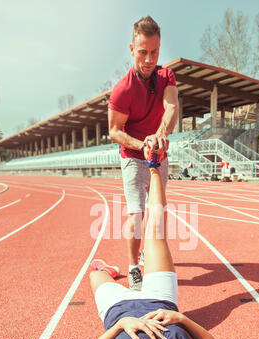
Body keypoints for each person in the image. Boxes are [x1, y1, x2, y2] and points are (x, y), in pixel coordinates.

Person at [86, 160, 231, 339]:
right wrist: (182, 319)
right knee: (156, 228)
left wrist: (119, 327)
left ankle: (114, 273)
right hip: (160, 297)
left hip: (119, 310)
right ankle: (154, 167)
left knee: (96, 274)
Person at [108, 16, 179, 290]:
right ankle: (133, 266)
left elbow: (171, 107)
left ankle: (149, 253)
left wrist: (159, 136)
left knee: (156, 210)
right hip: (132, 155)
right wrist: (142, 144)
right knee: (136, 213)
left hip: (158, 154)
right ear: (131, 49)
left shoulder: (166, 75)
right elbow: (115, 131)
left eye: (155, 52)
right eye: (143, 52)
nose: (149, 59)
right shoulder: (122, 90)